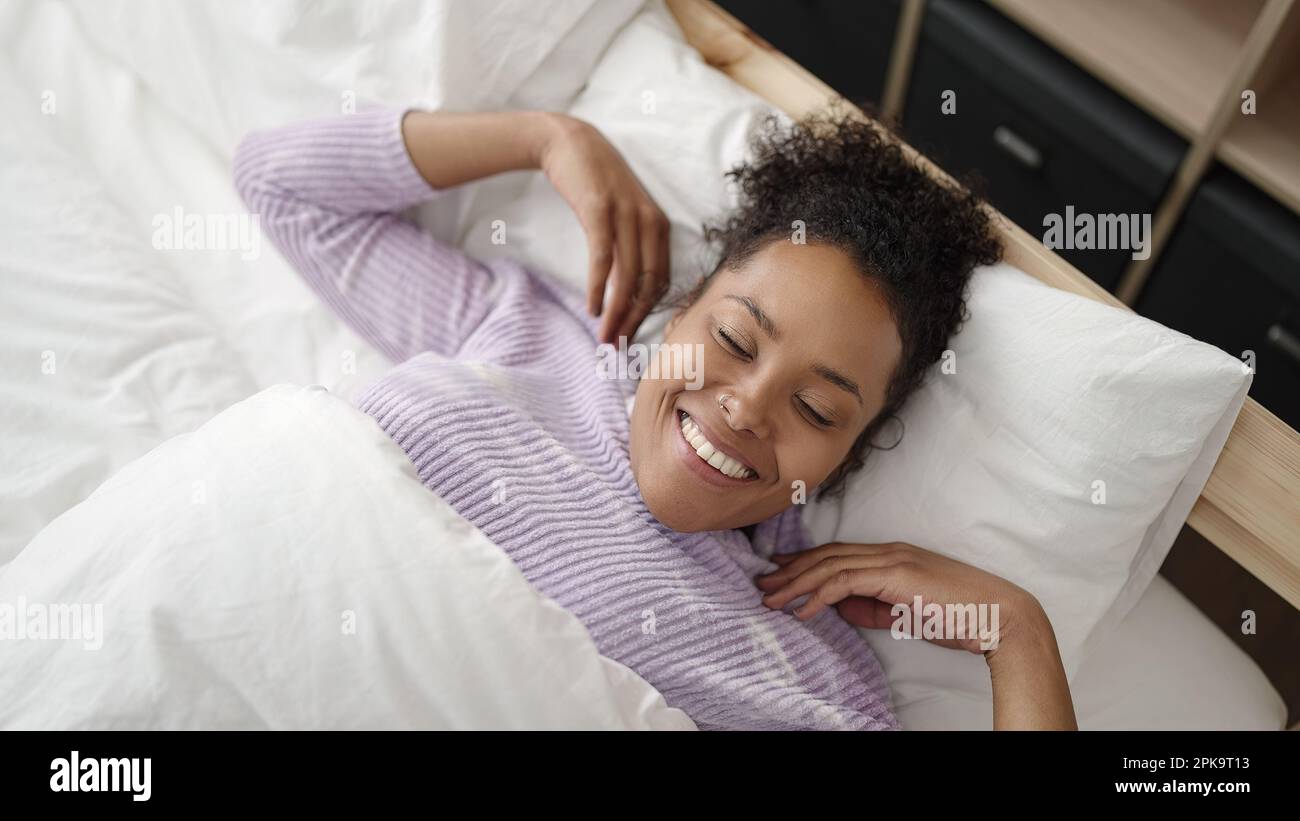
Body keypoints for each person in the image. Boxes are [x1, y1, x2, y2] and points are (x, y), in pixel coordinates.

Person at [233, 101, 1076, 730]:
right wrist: (545, 137)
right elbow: (279, 185)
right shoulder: (529, 337)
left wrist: (1017, 633)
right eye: (736, 339)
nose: (745, 405)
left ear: (845, 460)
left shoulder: (807, 664)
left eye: (816, 408)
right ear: (680, 310)